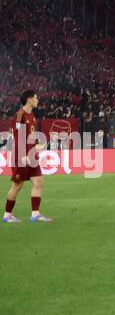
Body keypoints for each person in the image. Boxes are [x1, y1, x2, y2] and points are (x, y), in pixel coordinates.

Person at [5, 91, 52, 223]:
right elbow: (17, 136)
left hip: (32, 156)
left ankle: (35, 214)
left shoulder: (32, 116)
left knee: (38, 182)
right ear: (29, 99)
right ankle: (7, 215)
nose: (37, 100)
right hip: (22, 157)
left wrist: (37, 145)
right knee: (17, 185)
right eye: (36, 98)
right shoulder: (20, 115)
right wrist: (22, 155)